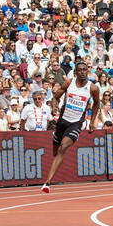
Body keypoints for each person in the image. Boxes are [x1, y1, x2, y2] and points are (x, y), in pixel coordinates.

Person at [42, 62, 101, 193]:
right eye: (79, 70)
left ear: (88, 71)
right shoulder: (69, 83)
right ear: (76, 72)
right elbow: (55, 97)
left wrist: (92, 122)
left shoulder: (93, 88)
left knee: (63, 148)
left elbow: (97, 104)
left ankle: (47, 182)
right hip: (62, 121)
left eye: (85, 70)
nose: (82, 72)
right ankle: (56, 141)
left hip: (76, 123)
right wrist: (54, 106)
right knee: (55, 151)